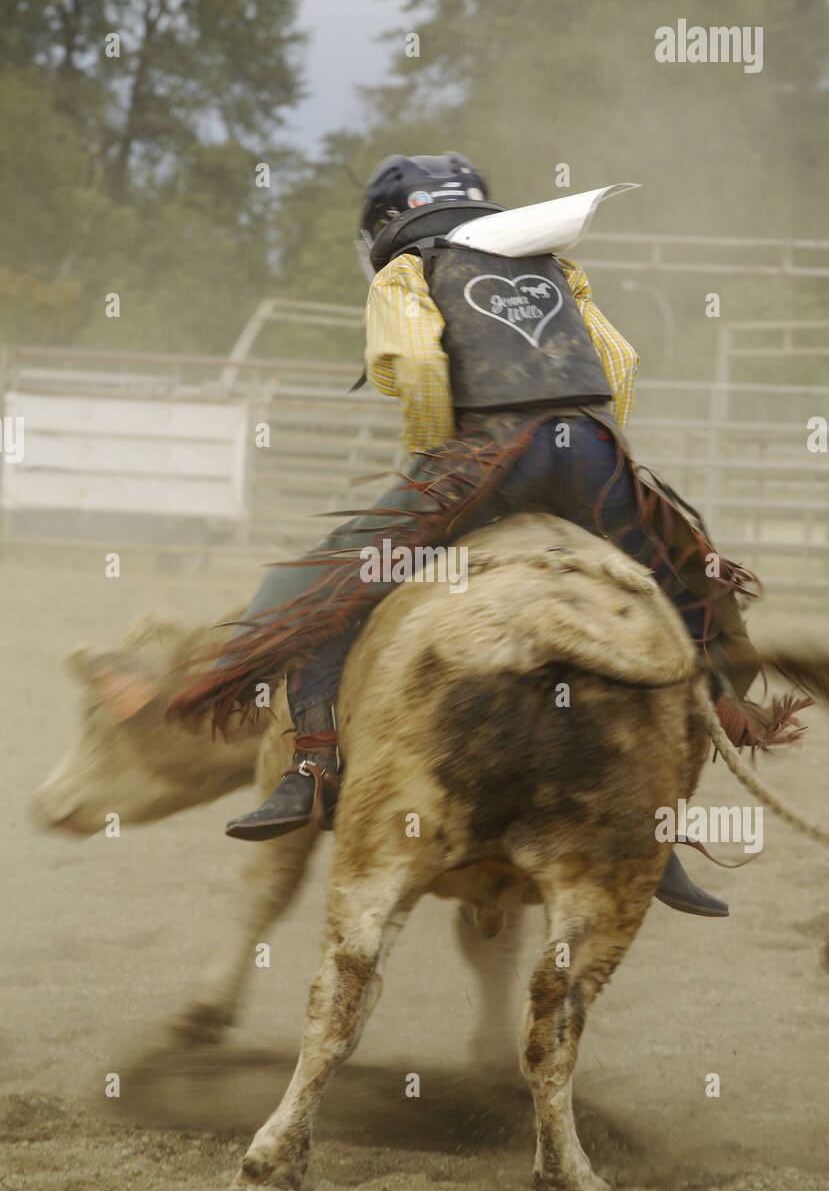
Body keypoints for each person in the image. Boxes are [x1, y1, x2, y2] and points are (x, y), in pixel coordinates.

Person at [168, 153, 804, 917]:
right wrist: (587, 446)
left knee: (318, 589)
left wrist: (438, 455)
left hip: (484, 461)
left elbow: (411, 360)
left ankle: (311, 765)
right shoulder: (554, 266)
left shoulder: (407, 271)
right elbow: (619, 363)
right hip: (594, 462)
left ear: (385, 224)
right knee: (694, 597)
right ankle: (659, 827)